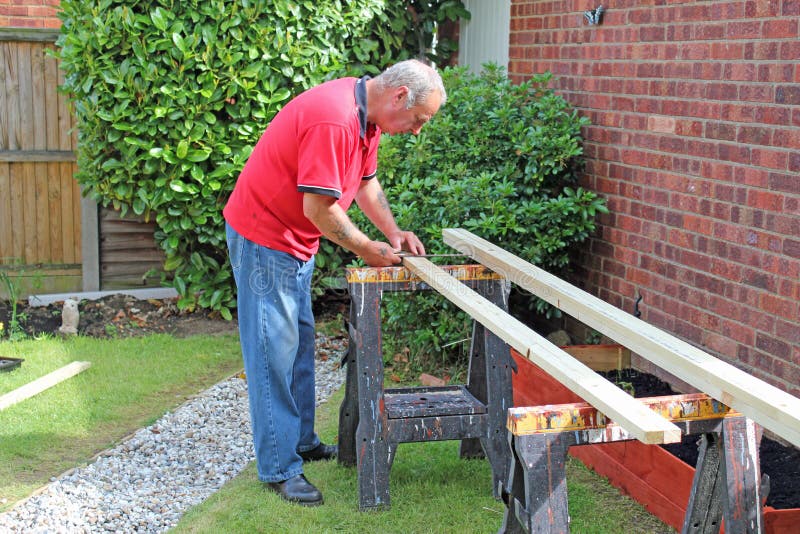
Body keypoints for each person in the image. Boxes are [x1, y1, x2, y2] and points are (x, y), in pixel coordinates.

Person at [223, 59, 446, 506]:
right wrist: (366, 249)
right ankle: (279, 468)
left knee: (299, 344)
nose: (417, 130)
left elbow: (365, 184)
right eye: (419, 119)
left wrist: (393, 233)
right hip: (265, 239)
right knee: (273, 354)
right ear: (400, 96)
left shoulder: (367, 118)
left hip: (294, 243)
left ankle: (301, 441)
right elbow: (320, 210)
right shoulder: (335, 120)